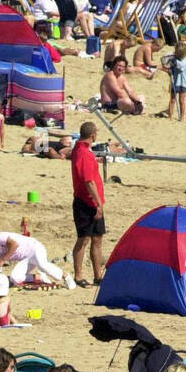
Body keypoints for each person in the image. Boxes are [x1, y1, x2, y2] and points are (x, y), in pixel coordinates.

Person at [70, 121, 106, 288]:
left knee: (97, 238)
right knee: (83, 239)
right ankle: (78, 276)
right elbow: (88, 181)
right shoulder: (83, 152)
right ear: (93, 136)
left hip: (91, 201)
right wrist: (98, 204)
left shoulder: (82, 149)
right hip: (86, 202)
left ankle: (98, 275)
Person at [0, 232, 71, 287]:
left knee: (42, 265)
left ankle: (66, 276)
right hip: (25, 258)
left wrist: (3, 259)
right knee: (15, 278)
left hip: (34, 248)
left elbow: (14, 244)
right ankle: (39, 277)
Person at [158, 42, 186, 121]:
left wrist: (173, 61)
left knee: (181, 101)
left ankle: (182, 117)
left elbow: (181, 67)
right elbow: (169, 66)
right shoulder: (174, 58)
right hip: (174, 82)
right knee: (172, 100)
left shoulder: (185, 59)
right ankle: (170, 115)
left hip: (182, 82)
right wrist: (168, 68)